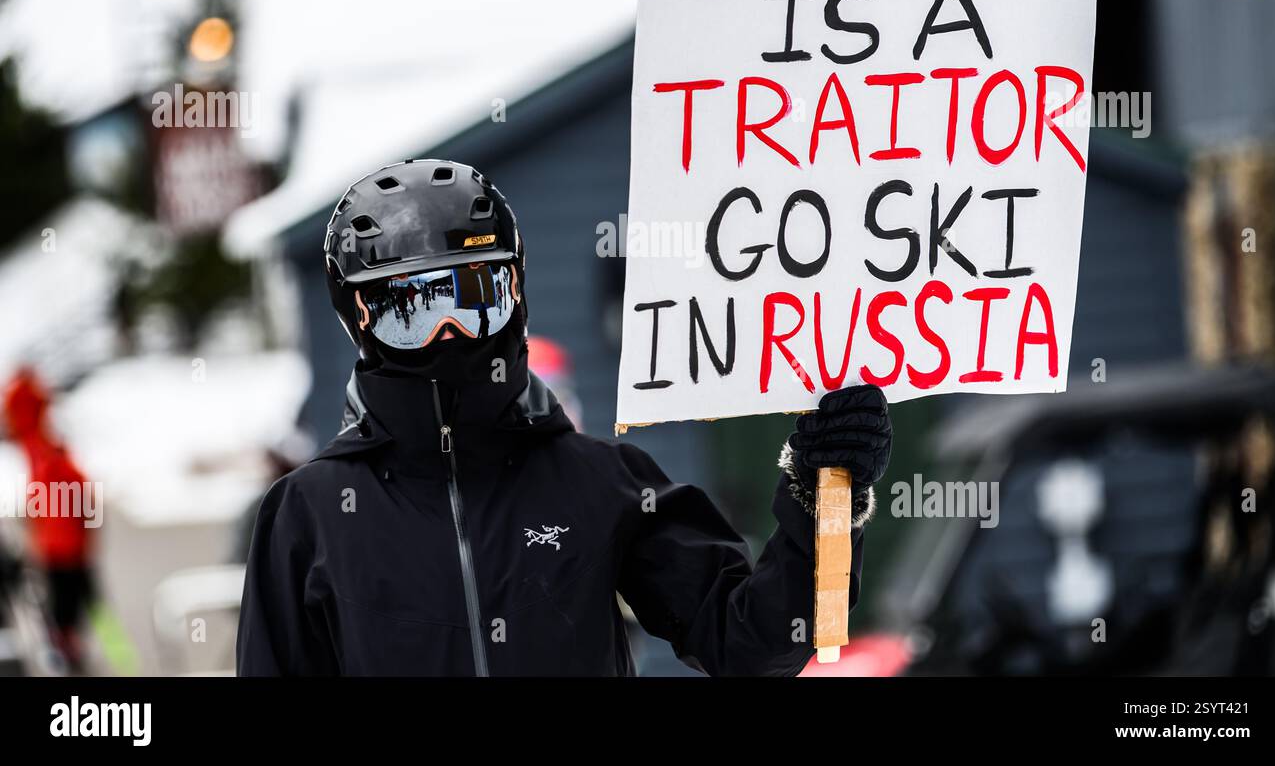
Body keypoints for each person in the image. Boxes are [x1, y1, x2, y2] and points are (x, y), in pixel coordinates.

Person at [237, 159, 892, 676]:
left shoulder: (599, 482)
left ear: (514, 292)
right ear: (358, 317)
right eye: (408, 308)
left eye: (471, 298)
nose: (445, 333)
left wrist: (823, 498)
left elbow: (761, 647)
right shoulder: (311, 512)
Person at [1, 368, 95, 672]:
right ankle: (69, 648)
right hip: (61, 548)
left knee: (68, 609)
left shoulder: (48, 457)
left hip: (64, 551)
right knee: (66, 610)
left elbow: (79, 500)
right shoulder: (45, 454)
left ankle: (72, 650)